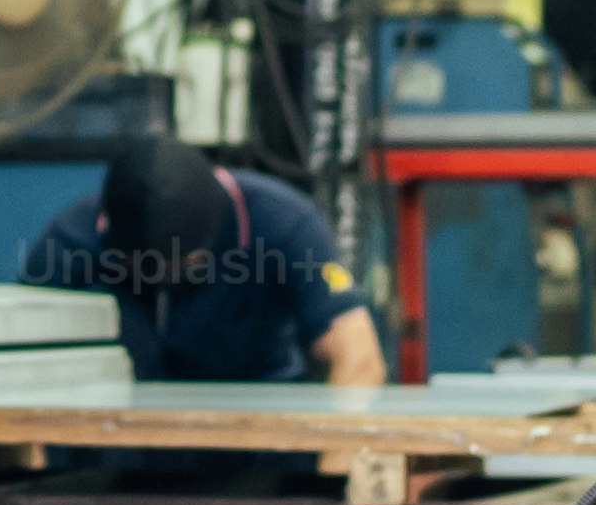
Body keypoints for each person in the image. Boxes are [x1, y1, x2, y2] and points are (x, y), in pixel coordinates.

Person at [25, 137, 386, 386]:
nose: (163, 278)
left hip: (261, 446)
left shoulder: (284, 223)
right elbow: (23, 366)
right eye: (144, 267)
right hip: (119, 447)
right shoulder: (74, 238)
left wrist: (333, 482)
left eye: (182, 264)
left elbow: (359, 360)